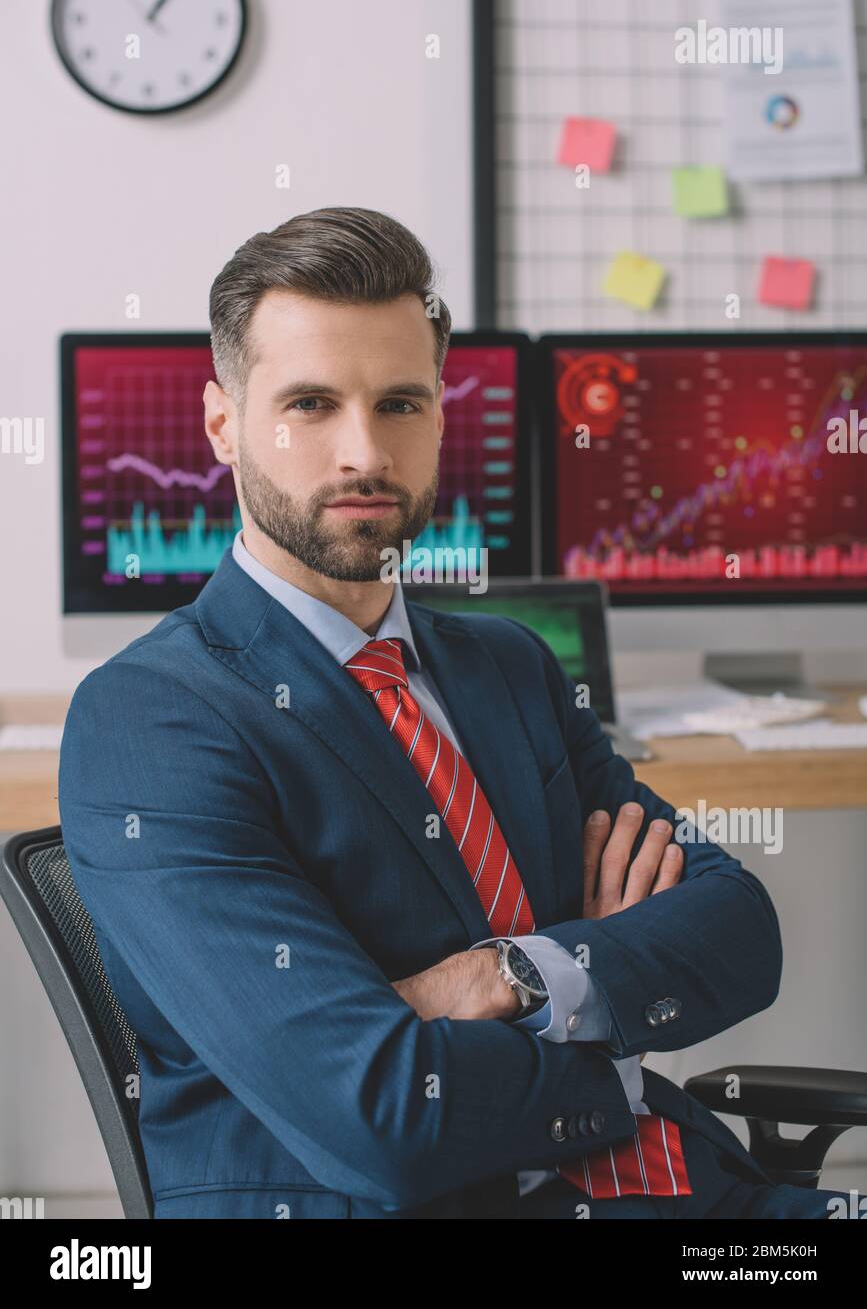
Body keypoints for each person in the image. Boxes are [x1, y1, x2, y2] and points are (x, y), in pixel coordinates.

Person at [59, 207, 849, 1219]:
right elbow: (378, 1116)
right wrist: (602, 1033)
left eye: (399, 402)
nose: (363, 453)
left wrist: (510, 973)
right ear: (222, 425)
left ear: (441, 415)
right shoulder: (153, 720)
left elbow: (739, 932)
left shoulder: (507, 665)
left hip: (683, 1190)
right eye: (310, 402)